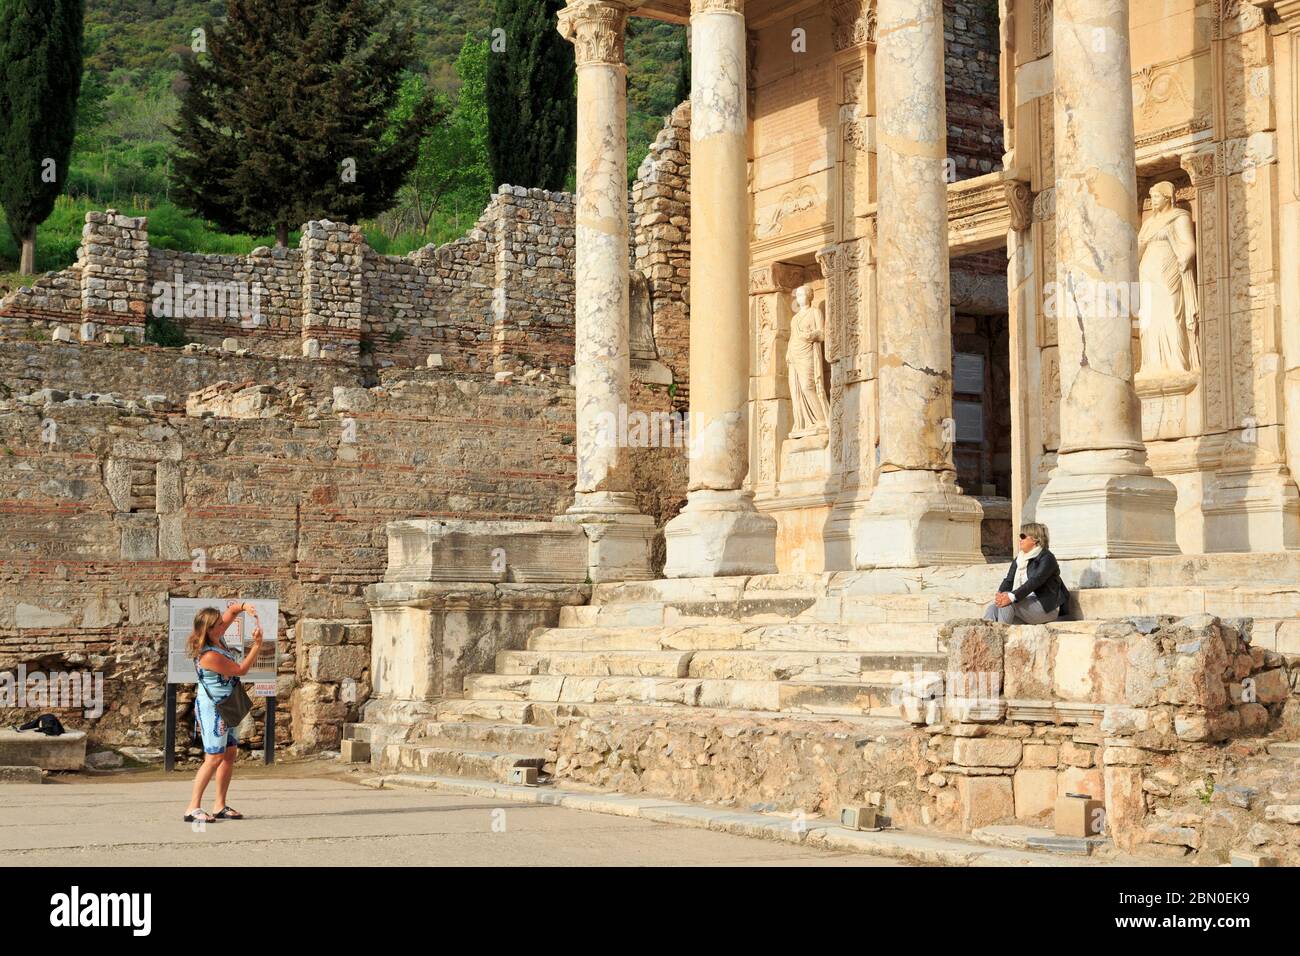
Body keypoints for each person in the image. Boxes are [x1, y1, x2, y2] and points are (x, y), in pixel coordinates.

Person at [183, 602, 263, 823]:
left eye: (221, 623)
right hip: (214, 710)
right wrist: (257, 645)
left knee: (229, 754)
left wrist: (246, 607)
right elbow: (240, 670)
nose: (223, 626)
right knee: (214, 757)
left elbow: (232, 611)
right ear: (208, 629)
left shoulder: (218, 639)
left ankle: (219, 805)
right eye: (218, 625)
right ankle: (192, 807)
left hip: (229, 705)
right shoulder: (208, 655)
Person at [983, 522, 1069, 624]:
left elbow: (1035, 581)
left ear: (1035, 539)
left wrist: (1011, 597)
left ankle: (1003, 635)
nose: (1020, 539)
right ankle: (987, 637)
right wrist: (1000, 594)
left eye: (1023, 536)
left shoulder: (1047, 557)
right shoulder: (1020, 558)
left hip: (1046, 607)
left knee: (1008, 604)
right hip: (1024, 602)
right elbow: (1009, 580)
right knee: (992, 608)